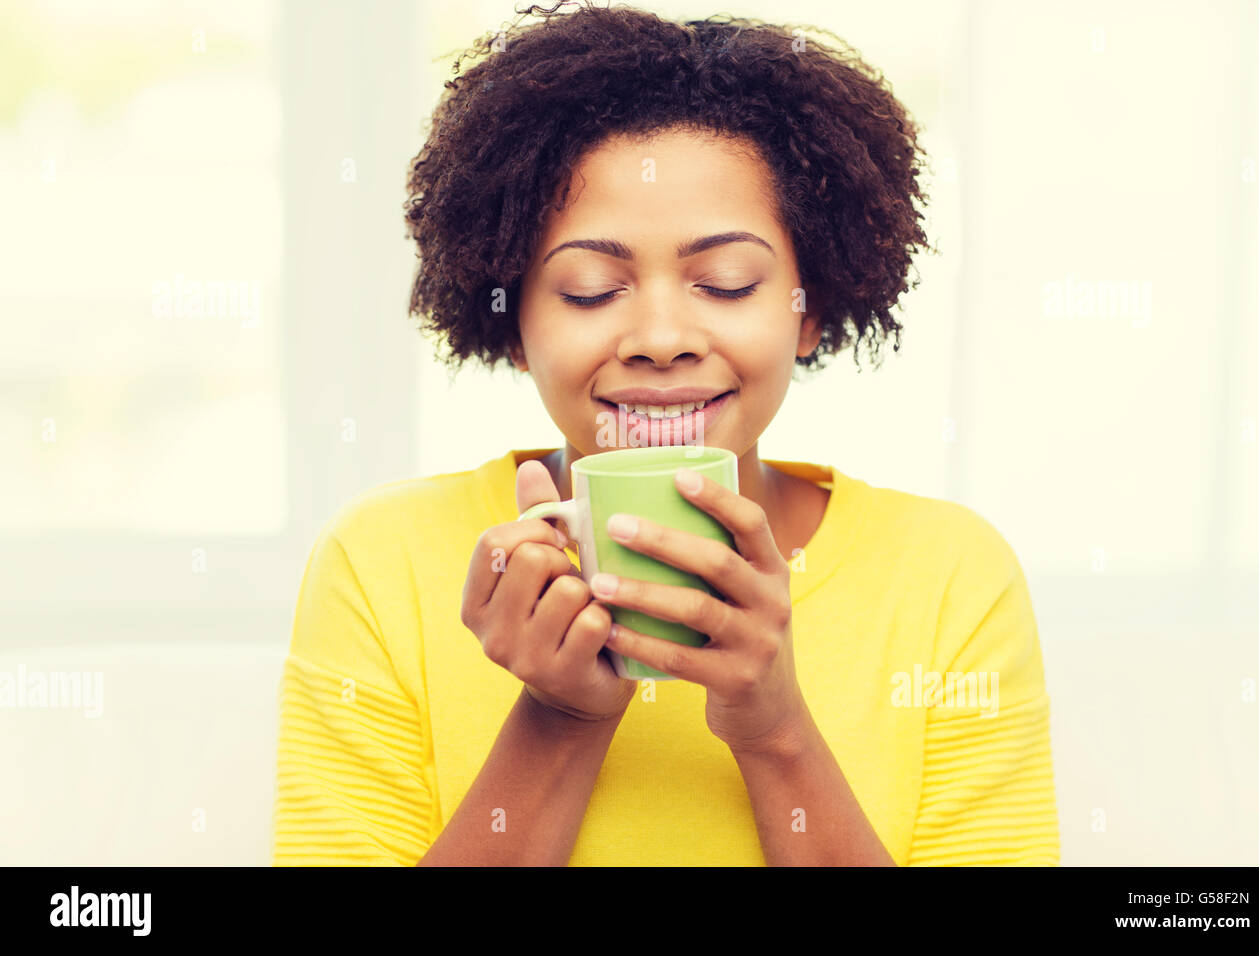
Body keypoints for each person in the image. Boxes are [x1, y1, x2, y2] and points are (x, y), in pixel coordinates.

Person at [273, 1, 1059, 866]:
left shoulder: (949, 577)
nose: (660, 336)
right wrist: (560, 717)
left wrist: (776, 728)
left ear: (812, 308)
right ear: (509, 319)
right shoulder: (382, 560)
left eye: (724, 283)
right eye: (587, 289)